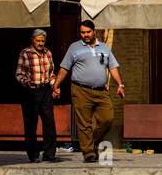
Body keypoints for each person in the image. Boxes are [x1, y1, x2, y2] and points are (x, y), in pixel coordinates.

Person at [52, 19, 125, 163]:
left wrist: (120, 84)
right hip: (81, 90)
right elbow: (64, 68)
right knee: (84, 123)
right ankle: (89, 153)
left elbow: (112, 67)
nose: (85, 35)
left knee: (108, 118)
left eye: (88, 32)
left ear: (94, 31)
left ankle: (92, 143)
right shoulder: (74, 48)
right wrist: (56, 84)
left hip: (101, 91)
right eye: (82, 32)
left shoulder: (104, 48)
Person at [14, 28, 57, 163]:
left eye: (42, 41)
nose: (40, 43)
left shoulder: (48, 53)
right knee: (31, 123)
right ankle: (33, 155)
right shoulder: (25, 53)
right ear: (32, 40)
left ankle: (49, 154)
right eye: (38, 40)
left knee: (49, 123)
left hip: (45, 91)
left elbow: (51, 74)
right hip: (30, 91)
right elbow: (19, 74)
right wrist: (27, 83)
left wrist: (55, 86)